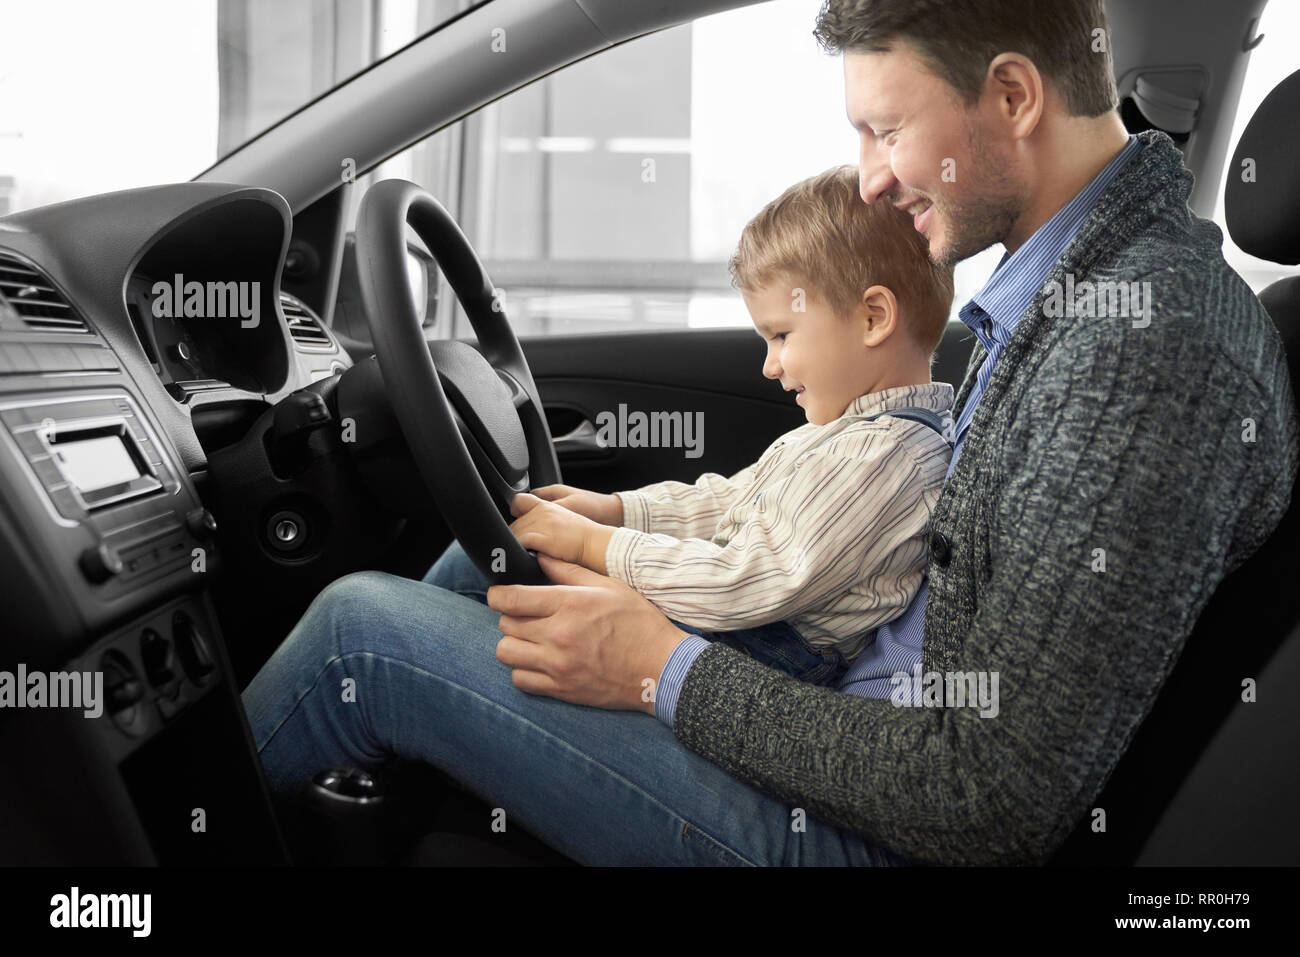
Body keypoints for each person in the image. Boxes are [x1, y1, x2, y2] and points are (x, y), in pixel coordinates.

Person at [241, 0, 1298, 865]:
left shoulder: (1145, 345)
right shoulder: (1074, 302)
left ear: (1014, 94)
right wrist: (624, 546)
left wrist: (661, 669)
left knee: (358, 634)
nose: (873, 176)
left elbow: (988, 798)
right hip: (854, 744)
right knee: (492, 565)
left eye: (887, 130)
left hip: (867, 840)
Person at [502, 165, 956, 688]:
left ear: (873, 318)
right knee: (516, 557)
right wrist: (617, 511)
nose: (770, 364)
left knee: (517, 581)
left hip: (754, 651)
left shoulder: (885, 460)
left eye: (782, 335)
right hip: (727, 625)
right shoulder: (845, 432)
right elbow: (725, 503)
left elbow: (746, 579)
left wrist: (593, 545)